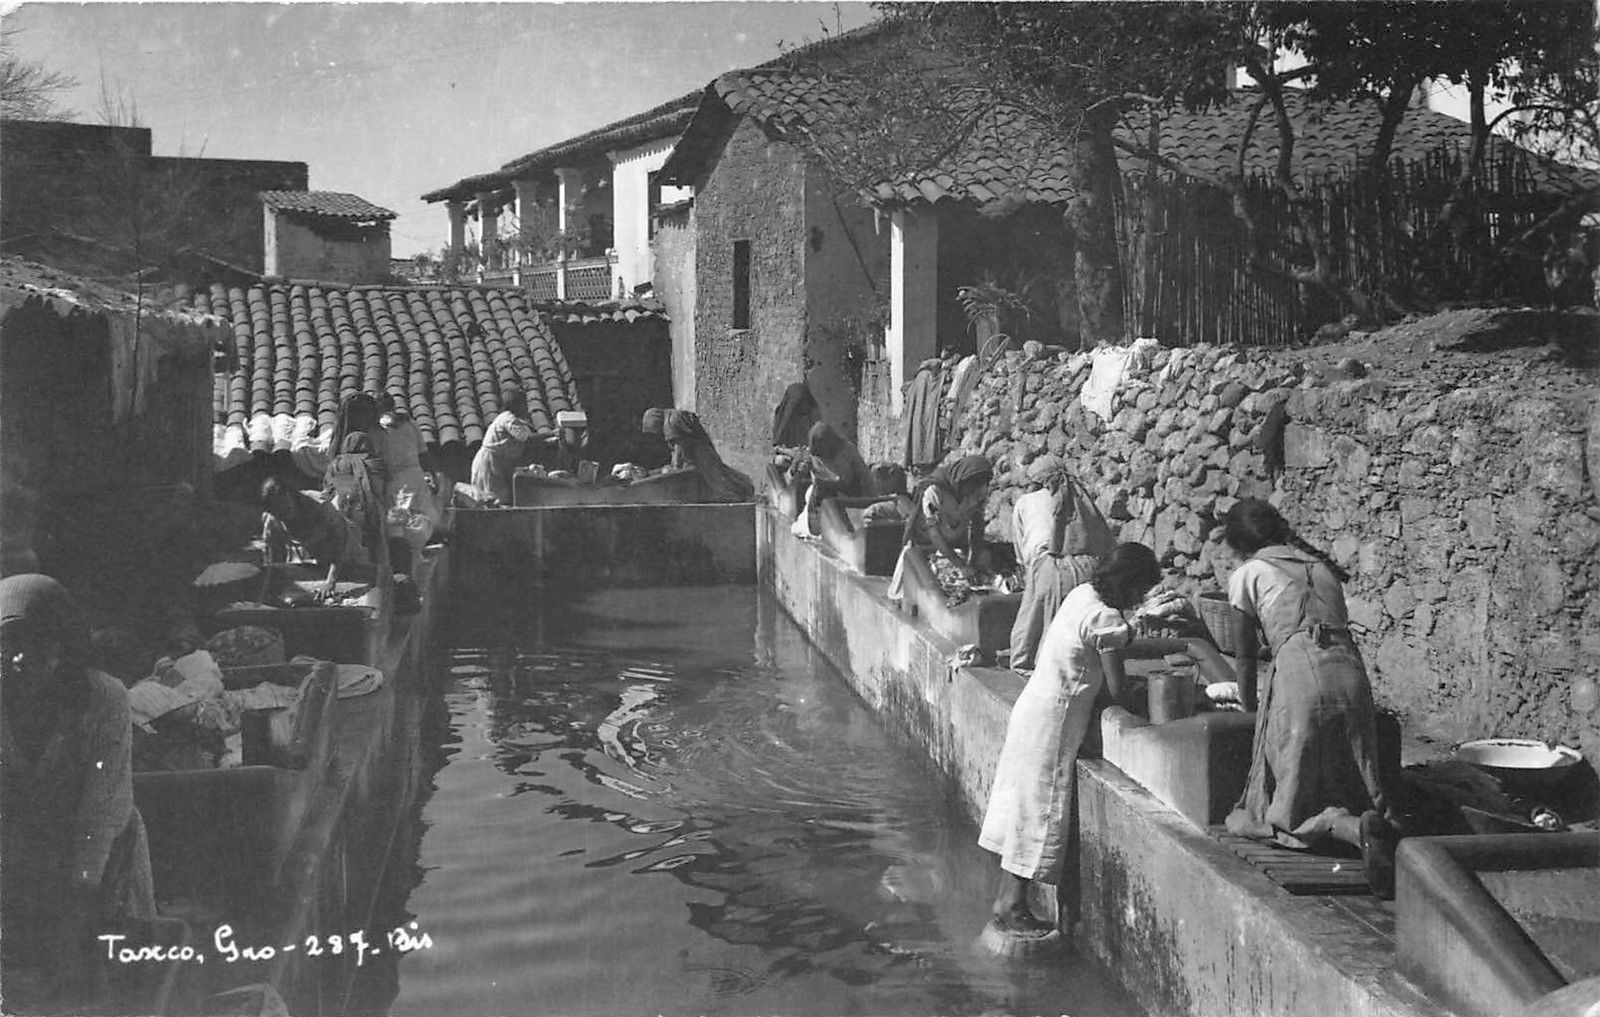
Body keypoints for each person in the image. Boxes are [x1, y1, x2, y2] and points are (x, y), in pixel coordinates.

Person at [978, 543, 1216, 933]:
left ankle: (1007, 899)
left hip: (1031, 708)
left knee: (1020, 803)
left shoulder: (1081, 596)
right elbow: (1118, 689)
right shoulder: (1105, 618)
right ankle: (1013, 904)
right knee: (1038, 806)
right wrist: (1147, 698)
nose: (1139, 600)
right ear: (1128, 585)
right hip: (1054, 721)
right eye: (1139, 591)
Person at [1219, 498, 1398, 898]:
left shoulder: (1248, 574)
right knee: (1350, 771)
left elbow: (1245, 658)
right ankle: (1371, 822)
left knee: (1288, 802)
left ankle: (1349, 829)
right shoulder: (1320, 568)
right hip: (1350, 671)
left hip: (1301, 673)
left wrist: (1249, 709)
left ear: (1237, 541)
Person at [1, 574, 156, 1001]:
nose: (16, 659)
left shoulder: (104, 700)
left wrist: (79, 905)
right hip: (19, 857)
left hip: (101, 861)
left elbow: (101, 814)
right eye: (5, 644)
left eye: (32, 644)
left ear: (62, 648)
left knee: (106, 982)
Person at [1007, 455, 1117, 672]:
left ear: (1035, 481)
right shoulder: (1081, 499)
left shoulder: (1025, 502)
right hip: (1088, 567)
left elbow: (1023, 556)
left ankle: (1029, 665)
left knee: (1031, 624)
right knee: (1079, 628)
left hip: (1048, 565)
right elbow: (1103, 542)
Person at [888, 454, 992, 607]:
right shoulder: (935, 490)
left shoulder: (978, 493)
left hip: (955, 542)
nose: (974, 493)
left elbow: (977, 527)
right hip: (925, 543)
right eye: (972, 486)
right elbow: (933, 532)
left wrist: (973, 560)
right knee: (920, 584)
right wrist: (960, 565)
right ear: (962, 480)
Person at [261, 477, 372, 601]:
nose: (284, 515)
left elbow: (339, 545)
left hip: (346, 553)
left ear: (289, 496)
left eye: (285, 508)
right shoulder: (272, 519)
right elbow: (273, 558)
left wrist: (330, 582)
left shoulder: (320, 506)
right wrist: (269, 588)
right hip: (313, 559)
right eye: (279, 513)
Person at [376, 392, 441, 575]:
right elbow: (424, 453)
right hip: (415, 476)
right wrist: (433, 475)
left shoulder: (379, 427)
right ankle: (417, 558)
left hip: (396, 480)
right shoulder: (409, 422)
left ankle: (408, 566)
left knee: (400, 524)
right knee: (419, 519)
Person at [640, 407, 755, 503]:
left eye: (654, 430)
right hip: (696, 454)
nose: (656, 434)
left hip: (700, 454)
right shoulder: (671, 419)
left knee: (715, 479)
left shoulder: (672, 422)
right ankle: (742, 490)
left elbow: (679, 446)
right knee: (715, 477)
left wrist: (675, 467)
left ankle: (741, 494)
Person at [472, 387, 541, 506]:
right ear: (516, 405)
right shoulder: (508, 418)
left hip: (496, 464)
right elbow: (526, 438)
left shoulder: (512, 420)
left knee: (498, 499)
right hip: (489, 464)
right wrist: (553, 433)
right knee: (493, 500)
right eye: (523, 404)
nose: (526, 408)